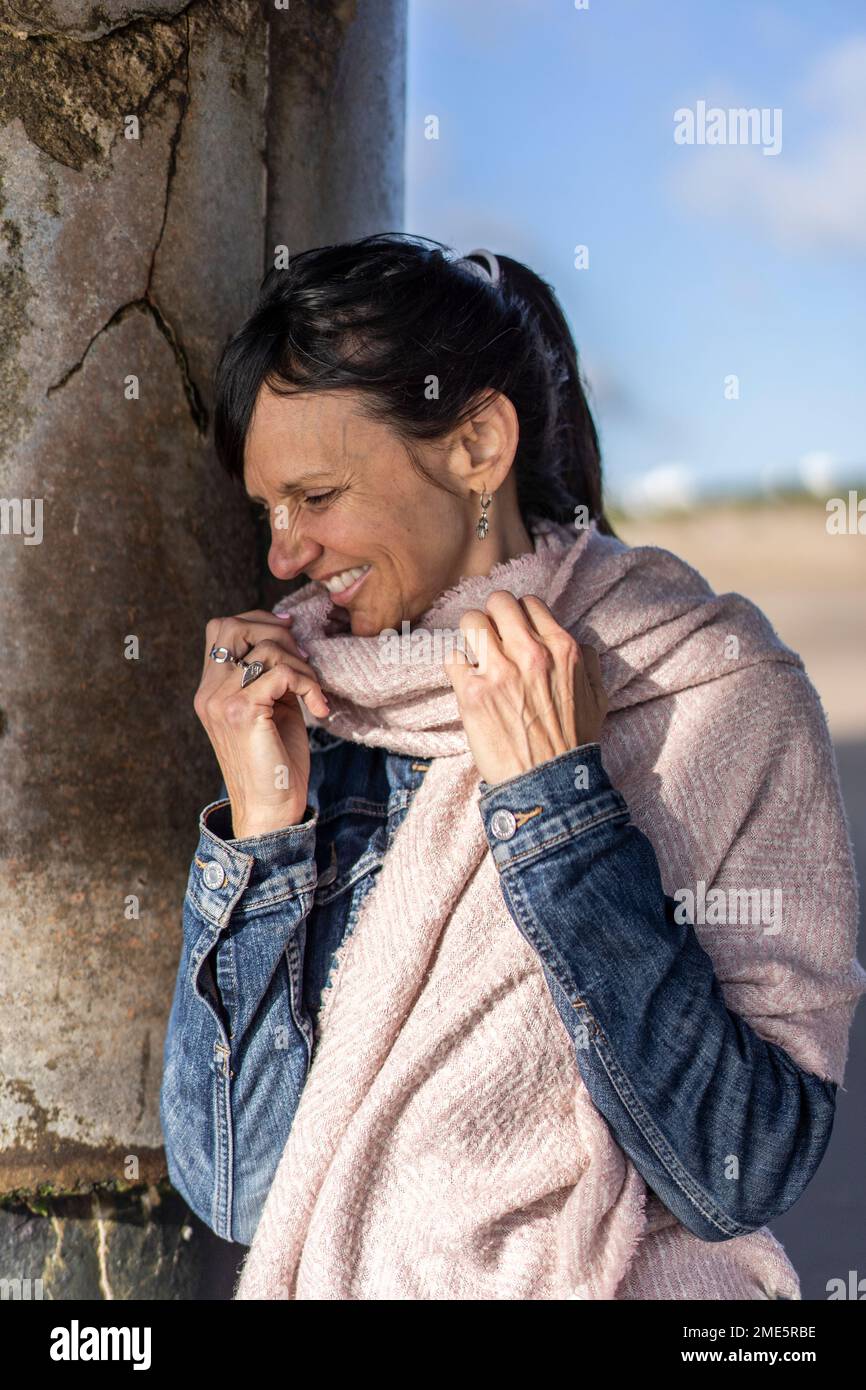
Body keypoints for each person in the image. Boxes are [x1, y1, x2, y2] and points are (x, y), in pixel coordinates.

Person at [160, 234, 866, 1300]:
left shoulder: (715, 691)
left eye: (316, 495)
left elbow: (740, 1168)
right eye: (267, 510)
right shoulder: (324, 718)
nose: (281, 553)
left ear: (477, 444)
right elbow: (247, 1194)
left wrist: (558, 811)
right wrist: (262, 831)